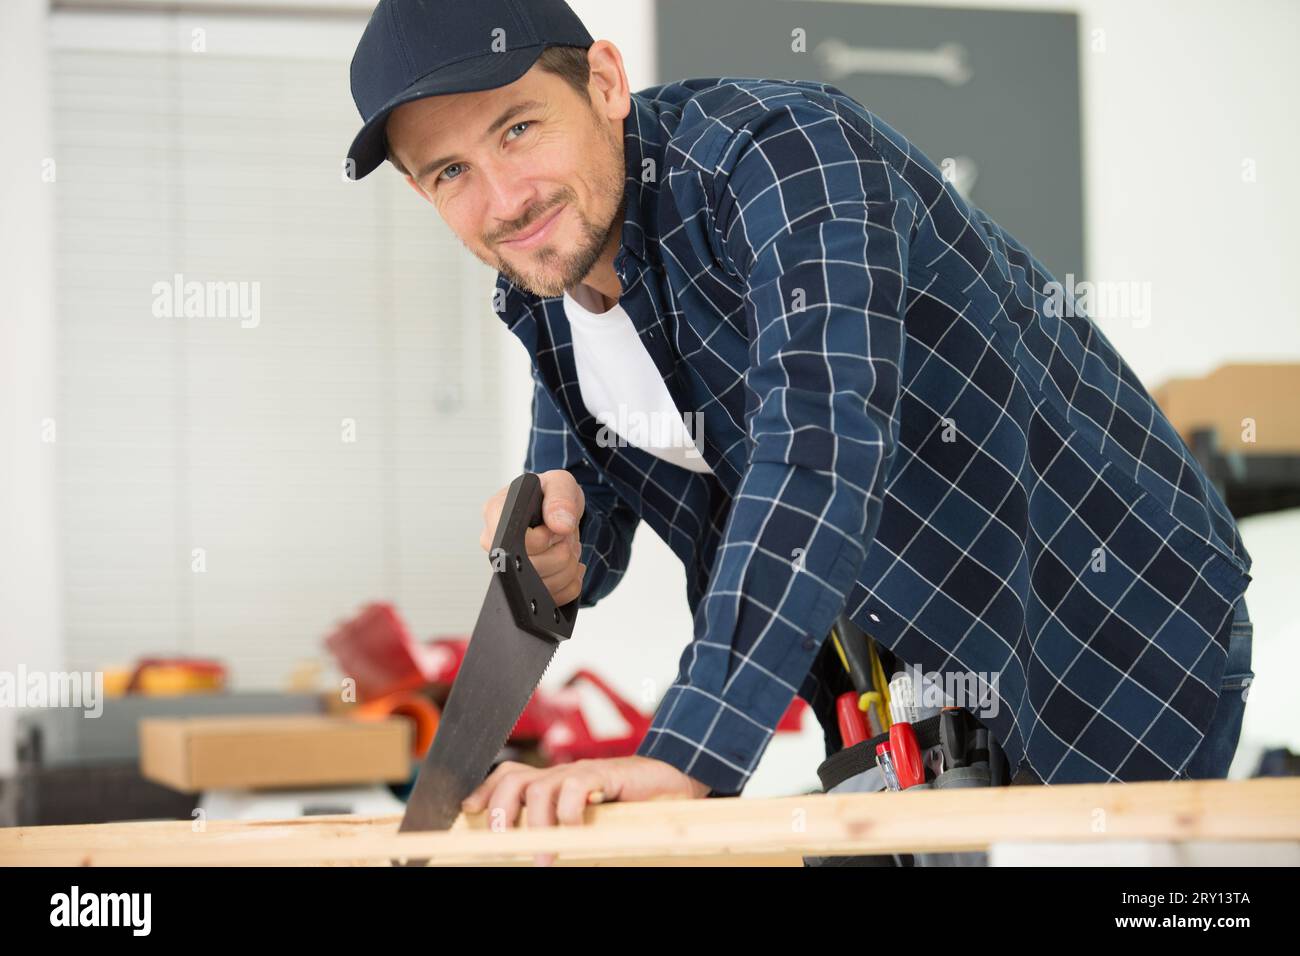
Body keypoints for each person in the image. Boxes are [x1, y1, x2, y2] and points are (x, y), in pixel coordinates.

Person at [344, 0, 1254, 862]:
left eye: (518, 128)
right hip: (898, 687)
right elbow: (594, 495)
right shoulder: (546, 276)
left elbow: (816, 449)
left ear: (607, 84)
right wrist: (560, 551)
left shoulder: (783, 159)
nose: (504, 197)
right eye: (450, 172)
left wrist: (689, 750)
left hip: (1102, 628)